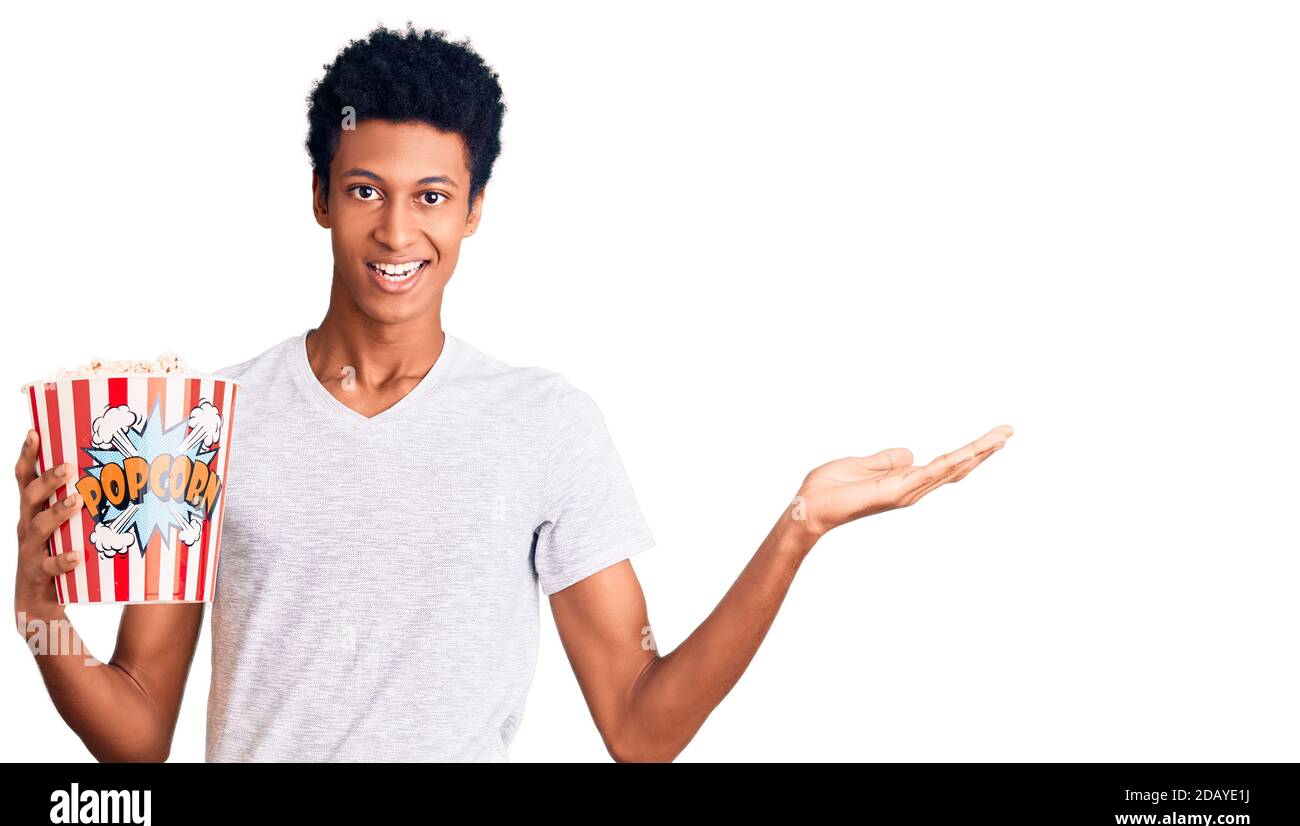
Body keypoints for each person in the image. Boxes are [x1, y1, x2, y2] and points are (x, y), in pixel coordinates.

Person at [12, 24, 1013, 762]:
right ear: (320, 194)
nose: (398, 232)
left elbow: (639, 722)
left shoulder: (543, 423)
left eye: (431, 197)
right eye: (366, 190)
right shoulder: (202, 420)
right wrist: (42, 612)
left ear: (475, 209)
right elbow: (138, 732)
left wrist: (795, 528)